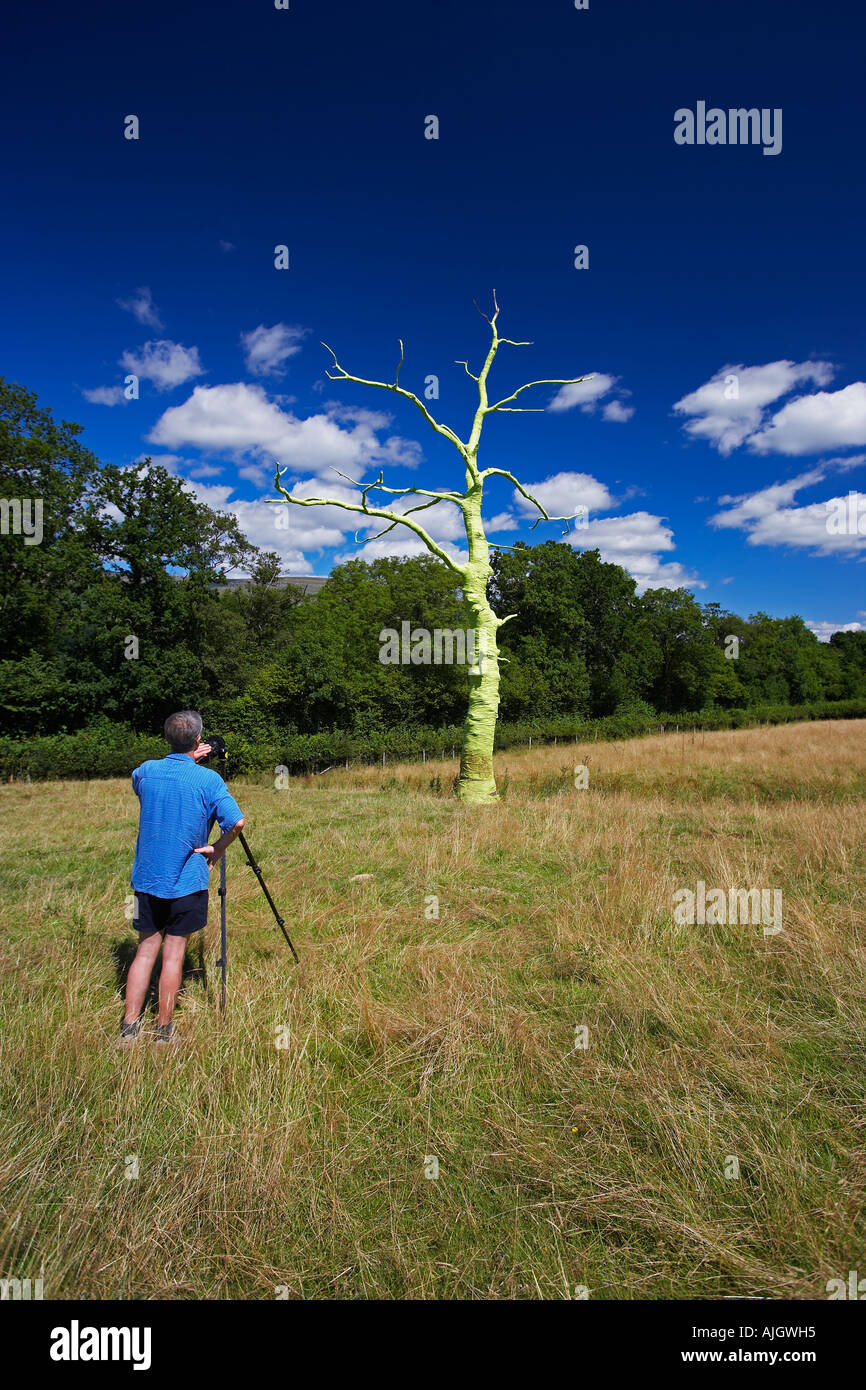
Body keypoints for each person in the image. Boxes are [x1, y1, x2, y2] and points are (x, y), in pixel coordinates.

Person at [121, 710, 244, 1046]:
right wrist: (217, 849)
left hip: (146, 879)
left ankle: (129, 1027)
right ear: (199, 741)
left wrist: (185, 756)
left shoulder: (145, 772)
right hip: (186, 881)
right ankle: (163, 1030)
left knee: (145, 950)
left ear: (166, 739)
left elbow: (150, 781)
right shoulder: (209, 781)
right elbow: (237, 823)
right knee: (174, 954)